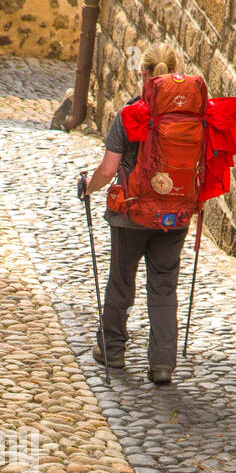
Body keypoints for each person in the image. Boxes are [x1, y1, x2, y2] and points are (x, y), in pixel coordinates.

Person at [78, 43, 189, 386]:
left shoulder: (131, 114)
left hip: (132, 214)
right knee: (164, 286)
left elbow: (109, 169)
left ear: (144, 73)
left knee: (122, 281)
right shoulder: (190, 118)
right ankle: (162, 364)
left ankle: (112, 349)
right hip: (175, 215)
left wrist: (88, 187)